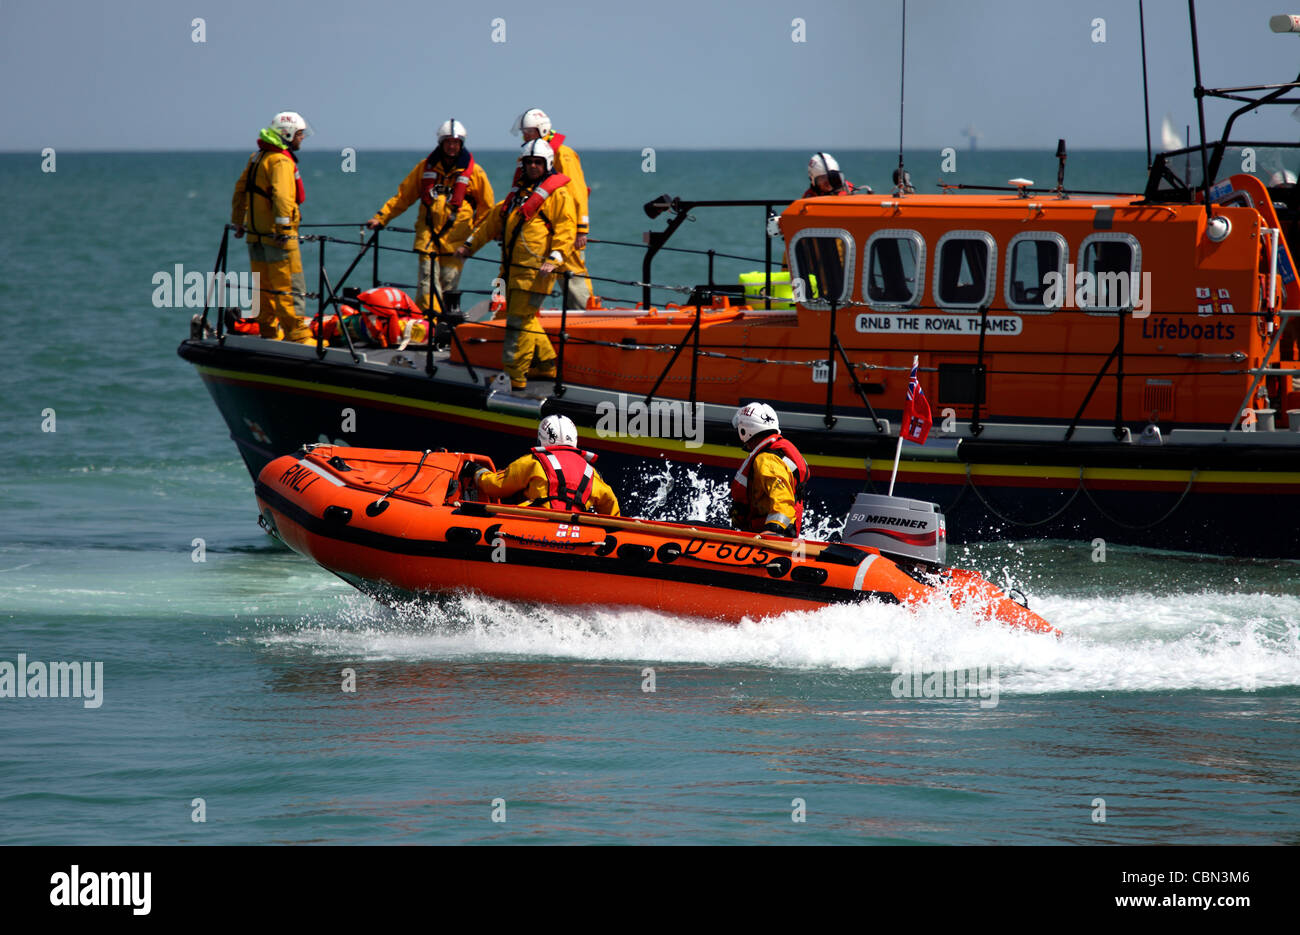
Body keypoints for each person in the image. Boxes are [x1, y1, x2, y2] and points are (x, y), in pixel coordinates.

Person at [457, 139, 576, 393]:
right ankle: (545, 364)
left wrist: (554, 258)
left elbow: (566, 229)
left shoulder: (557, 194)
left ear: (548, 164)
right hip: (513, 272)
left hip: (535, 273)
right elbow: (491, 223)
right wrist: (469, 246)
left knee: (517, 324)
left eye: (538, 162)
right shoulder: (518, 195)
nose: (532, 166)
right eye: (528, 162)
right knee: (525, 319)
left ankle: (514, 377)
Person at [366, 119, 493, 317]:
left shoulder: (475, 172)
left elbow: (486, 209)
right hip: (428, 235)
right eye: (448, 142)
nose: (452, 146)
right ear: (441, 143)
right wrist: (381, 218)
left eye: (456, 142)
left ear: (461, 144)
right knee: (427, 282)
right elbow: (403, 197)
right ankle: (427, 323)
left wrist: (472, 241)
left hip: (456, 239)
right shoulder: (425, 168)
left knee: (449, 283)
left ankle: (443, 324)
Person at [231, 111, 313, 343]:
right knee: (289, 286)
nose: (302, 138)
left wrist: (239, 221)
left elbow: (240, 191)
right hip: (277, 240)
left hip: (255, 237)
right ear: (287, 134)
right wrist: (284, 231)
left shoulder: (257, 158)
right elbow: (283, 198)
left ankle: (267, 331)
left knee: (263, 289)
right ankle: (297, 335)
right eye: (299, 134)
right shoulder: (280, 161)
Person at [510, 108, 595, 309]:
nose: (524, 136)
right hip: (545, 229)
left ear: (541, 129)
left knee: (573, 276)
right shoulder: (535, 154)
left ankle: (586, 317)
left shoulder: (563, 155)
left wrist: (581, 229)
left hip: (567, 228)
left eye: (528, 132)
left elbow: (578, 191)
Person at [462, 414, 620, 515]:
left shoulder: (533, 462)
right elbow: (610, 505)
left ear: (541, 438)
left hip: (533, 528)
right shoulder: (591, 472)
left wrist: (477, 472)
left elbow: (496, 486)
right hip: (575, 533)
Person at [729, 402, 809, 537]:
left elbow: (782, 499)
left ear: (744, 430)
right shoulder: (772, 454)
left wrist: (774, 529)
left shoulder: (766, 460)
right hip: (760, 532)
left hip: (771, 535)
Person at [803, 152, 868, 197]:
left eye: (831, 177)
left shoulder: (849, 192)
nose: (828, 182)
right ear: (813, 180)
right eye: (822, 178)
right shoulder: (808, 198)